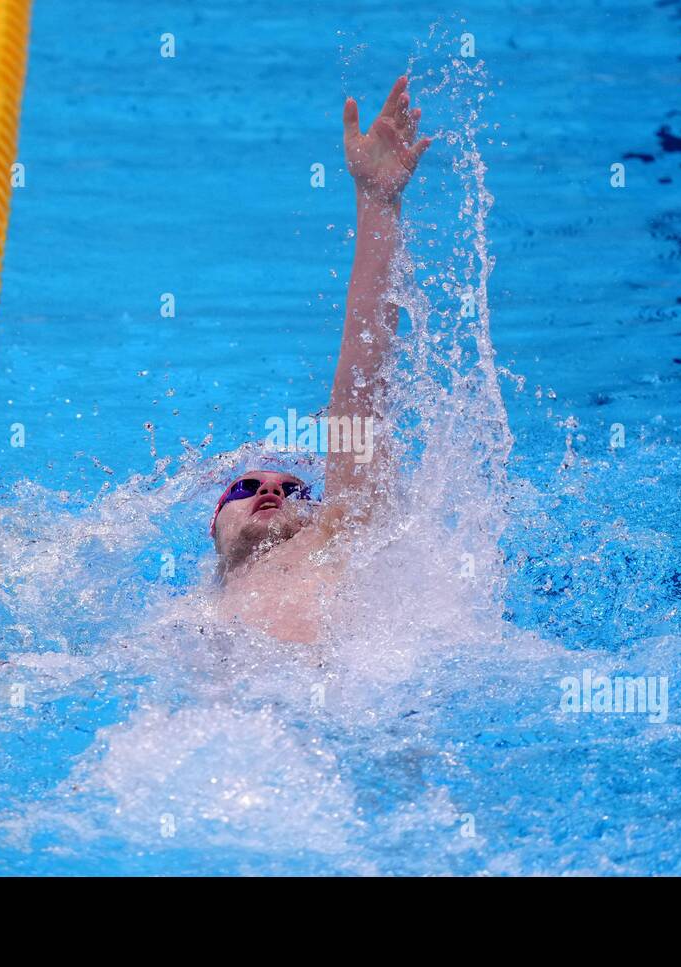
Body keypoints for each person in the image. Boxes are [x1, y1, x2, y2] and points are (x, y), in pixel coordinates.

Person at [208, 76, 431, 643]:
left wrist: (378, 203)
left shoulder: (335, 541)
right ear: (213, 527)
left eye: (295, 489)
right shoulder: (181, 624)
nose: (271, 491)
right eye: (244, 487)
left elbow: (360, 397)